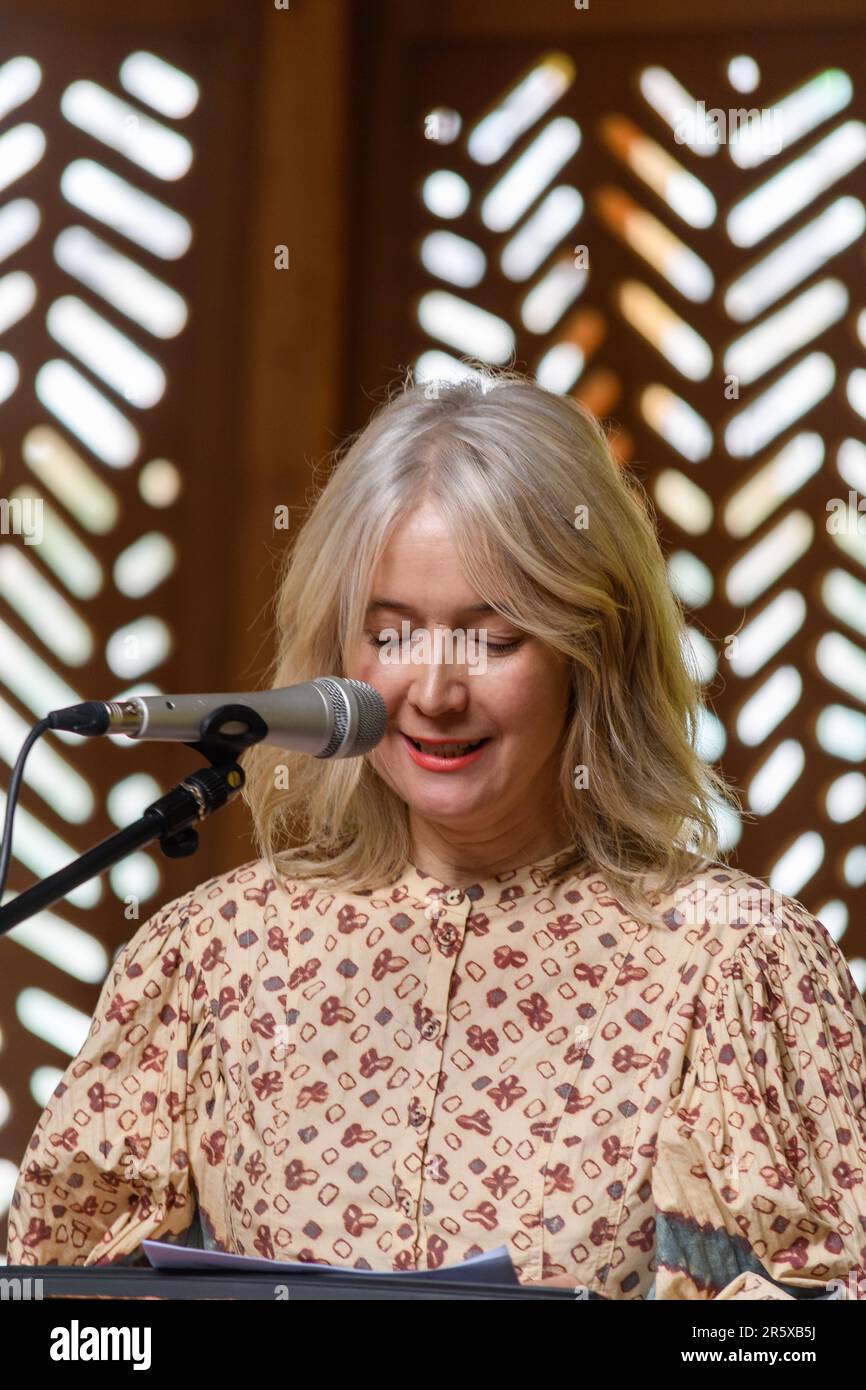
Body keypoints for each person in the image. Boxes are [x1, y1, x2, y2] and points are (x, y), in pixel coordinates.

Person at [7, 368, 866, 1300]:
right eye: (391, 635)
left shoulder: (734, 965)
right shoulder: (211, 958)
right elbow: (62, 1314)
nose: (434, 692)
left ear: (595, 652)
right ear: (337, 653)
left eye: (494, 641)